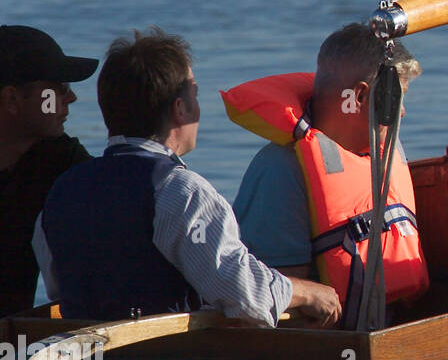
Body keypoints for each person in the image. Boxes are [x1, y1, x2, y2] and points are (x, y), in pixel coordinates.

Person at [34, 28, 340, 327]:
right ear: (180, 108)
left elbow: (58, 289)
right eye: (194, 93)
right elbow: (245, 297)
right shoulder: (182, 192)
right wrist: (307, 292)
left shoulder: (60, 191)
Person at [230, 23, 428, 327]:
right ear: (358, 98)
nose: (401, 113)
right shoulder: (281, 172)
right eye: (396, 99)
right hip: (332, 355)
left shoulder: (385, 152)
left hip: (395, 332)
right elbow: (280, 313)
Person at [0, 27, 97, 314]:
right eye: (58, 87)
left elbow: (115, 196)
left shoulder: (58, 158)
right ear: (12, 100)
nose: (71, 98)